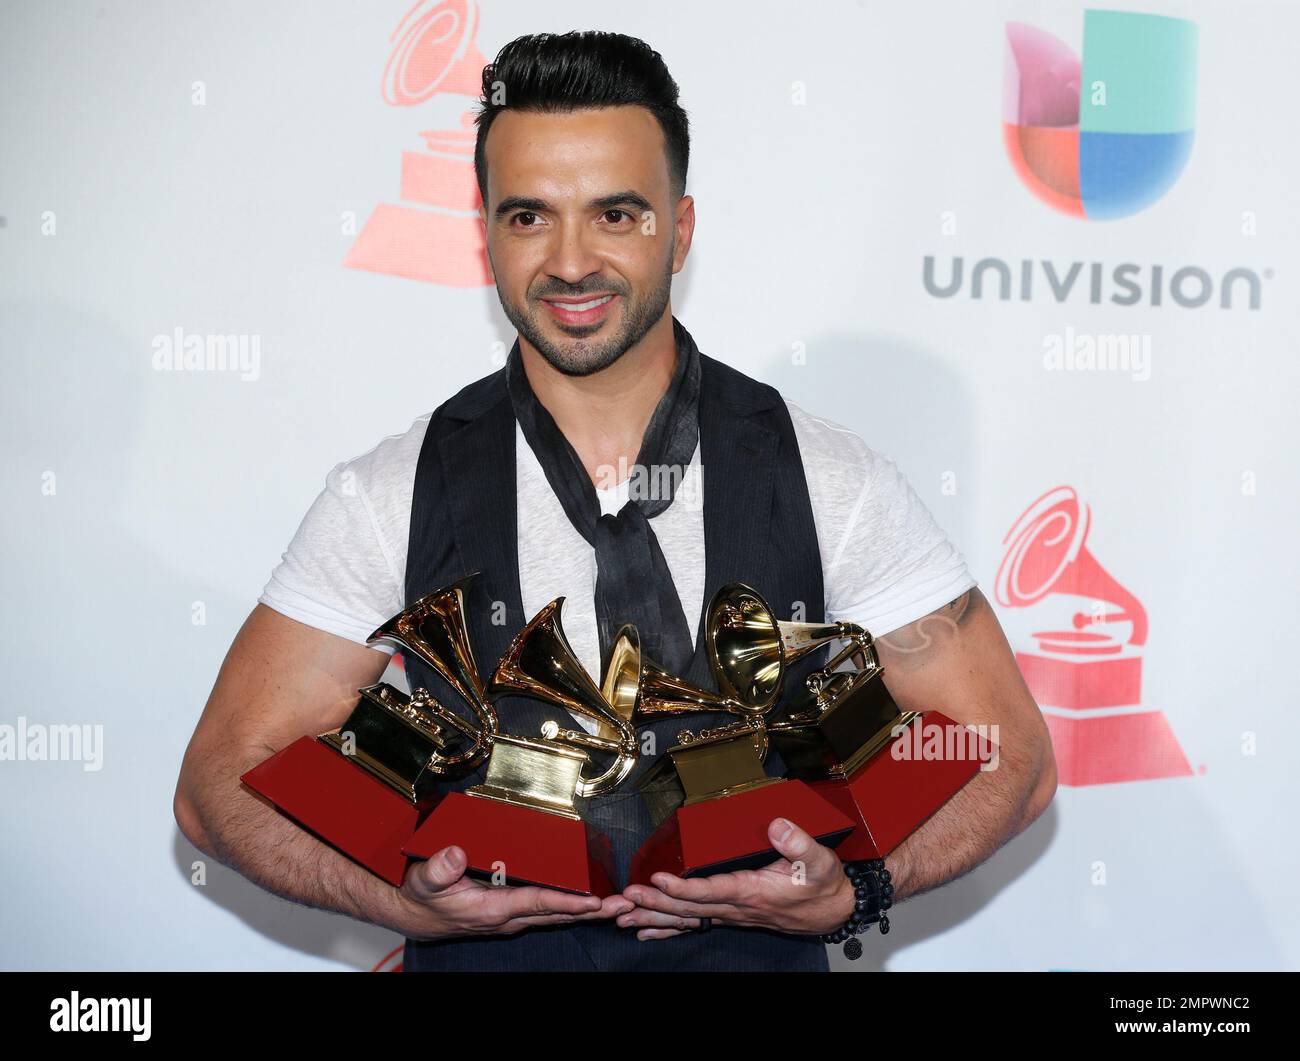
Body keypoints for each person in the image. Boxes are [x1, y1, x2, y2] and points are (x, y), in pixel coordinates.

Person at [173, 30, 1056, 972]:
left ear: (678, 228)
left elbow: (1013, 758)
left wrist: (860, 888)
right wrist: (397, 901)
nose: (570, 261)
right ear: (485, 235)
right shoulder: (388, 493)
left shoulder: (830, 479)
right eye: (528, 217)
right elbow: (215, 787)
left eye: (615, 215)